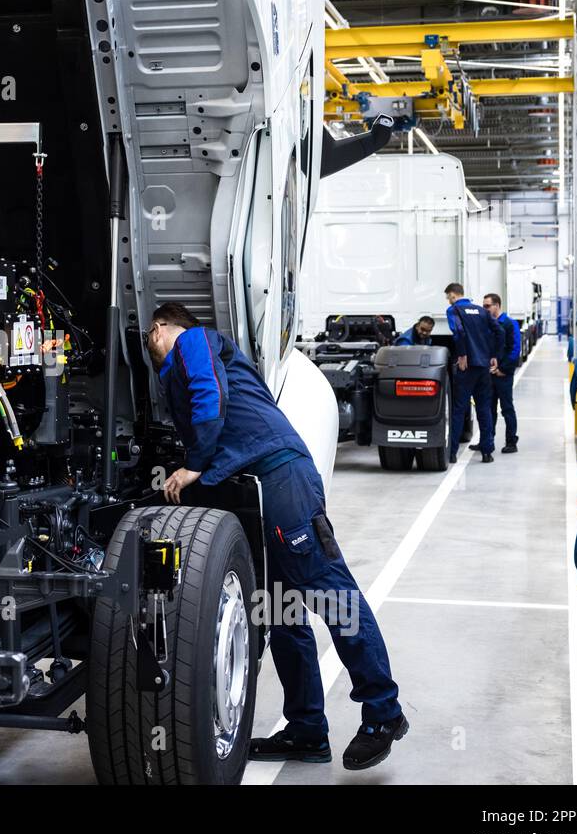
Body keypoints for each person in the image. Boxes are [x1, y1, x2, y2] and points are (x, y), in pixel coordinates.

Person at [145, 302, 407, 771]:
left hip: (281, 478)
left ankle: (384, 713)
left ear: (163, 326)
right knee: (282, 612)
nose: (151, 345)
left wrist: (196, 464)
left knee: (330, 594)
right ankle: (307, 731)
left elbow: (209, 397)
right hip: (263, 487)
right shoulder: (199, 357)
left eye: (151, 335)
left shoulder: (193, 340)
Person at [444, 283, 503, 464]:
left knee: (459, 409)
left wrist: (462, 355)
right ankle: (487, 452)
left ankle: (452, 452)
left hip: (466, 367)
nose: (448, 300)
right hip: (483, 367)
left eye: (448, 297)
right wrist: (493, 355)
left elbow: (459, 332)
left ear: (453, 295)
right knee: (484, 409)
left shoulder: (454, 310)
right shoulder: (480, 311)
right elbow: (499, 331)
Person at [481, 293, 520, 453]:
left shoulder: (509, 324)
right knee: (488, 409)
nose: (484, 309)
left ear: (497, 305)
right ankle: (488, 441)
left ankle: (511, 442)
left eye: (487, 306)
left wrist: (503, 369)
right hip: (489, 374)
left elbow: (515, 349)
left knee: (507, 409)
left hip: (503, 375)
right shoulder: (486, 324)